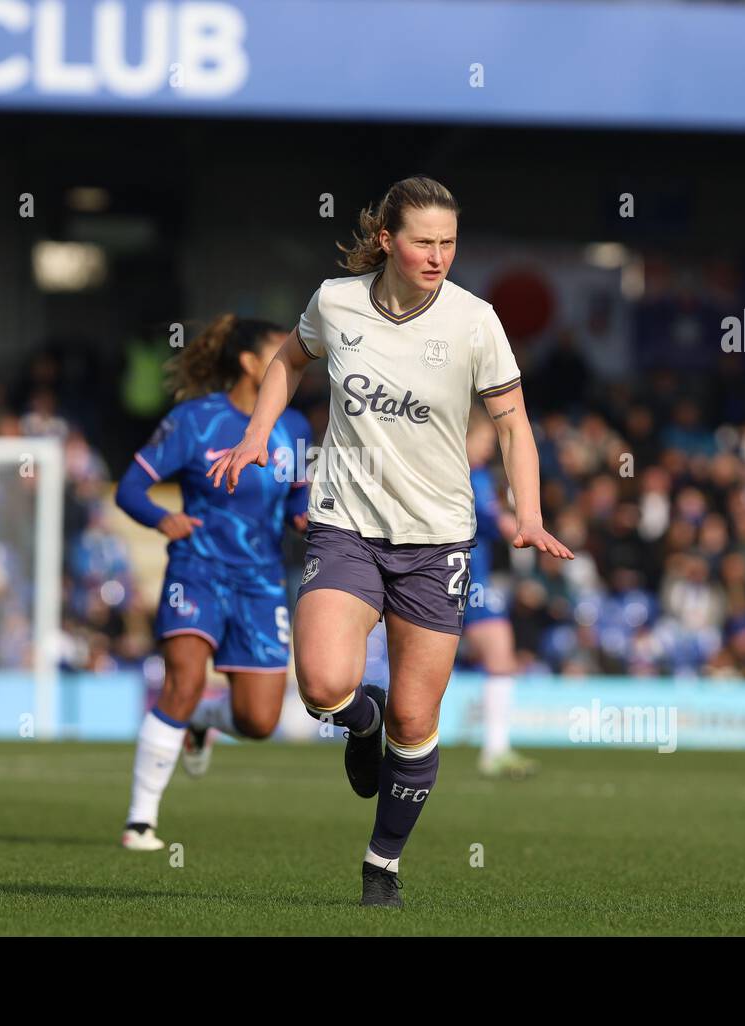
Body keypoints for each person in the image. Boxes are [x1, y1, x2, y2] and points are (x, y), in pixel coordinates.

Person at [209, 176, 574, 907]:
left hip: (437, 541)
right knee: (319, 685)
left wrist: (527, 511)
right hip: (345, 521)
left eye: (449, 243)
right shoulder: (336, 302)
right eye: (423, 242)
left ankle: (383, 865)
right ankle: (358, 719)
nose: (438, 256)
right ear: (387, 240)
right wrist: (256, 434)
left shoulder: (476, 321)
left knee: (416, 718)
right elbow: (287, 360)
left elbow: (512, 425)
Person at [115, 315, 312, 851]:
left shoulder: (294, 427)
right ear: (251, 363)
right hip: (196, 569)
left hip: (260, 582)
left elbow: (297, 495)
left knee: (258, 720)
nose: (296, 359)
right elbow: (131, 488)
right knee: (181, 680)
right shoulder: (195, 420)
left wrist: (304, 516)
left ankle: (204, 718)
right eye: (283, 350)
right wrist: (162, 519)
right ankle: (140, 820)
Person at [464, 408, 538, 778]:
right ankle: (494, 749)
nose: (487, 450)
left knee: (499, 651)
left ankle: (496, 748)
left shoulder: (478, 475)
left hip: (471, 578)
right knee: (497, 652)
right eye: (483, 441)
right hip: (455, 576)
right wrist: (510, 521)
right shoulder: (457, 474)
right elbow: (486, 515)